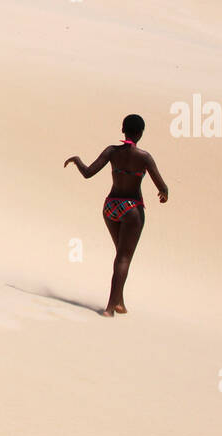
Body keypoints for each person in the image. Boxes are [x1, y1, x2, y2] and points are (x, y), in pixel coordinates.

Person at [63, 114, 169, 317]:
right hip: (132, 209)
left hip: (111, 207)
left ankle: (119, 303)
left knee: (121, 255)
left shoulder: (112, 151)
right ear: (140, 133)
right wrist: (164, 194)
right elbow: (162, 186)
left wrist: (77, 160)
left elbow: (88, 173)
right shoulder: (144, 157)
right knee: (123, 258)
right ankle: (110, 308)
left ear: (123, 130)